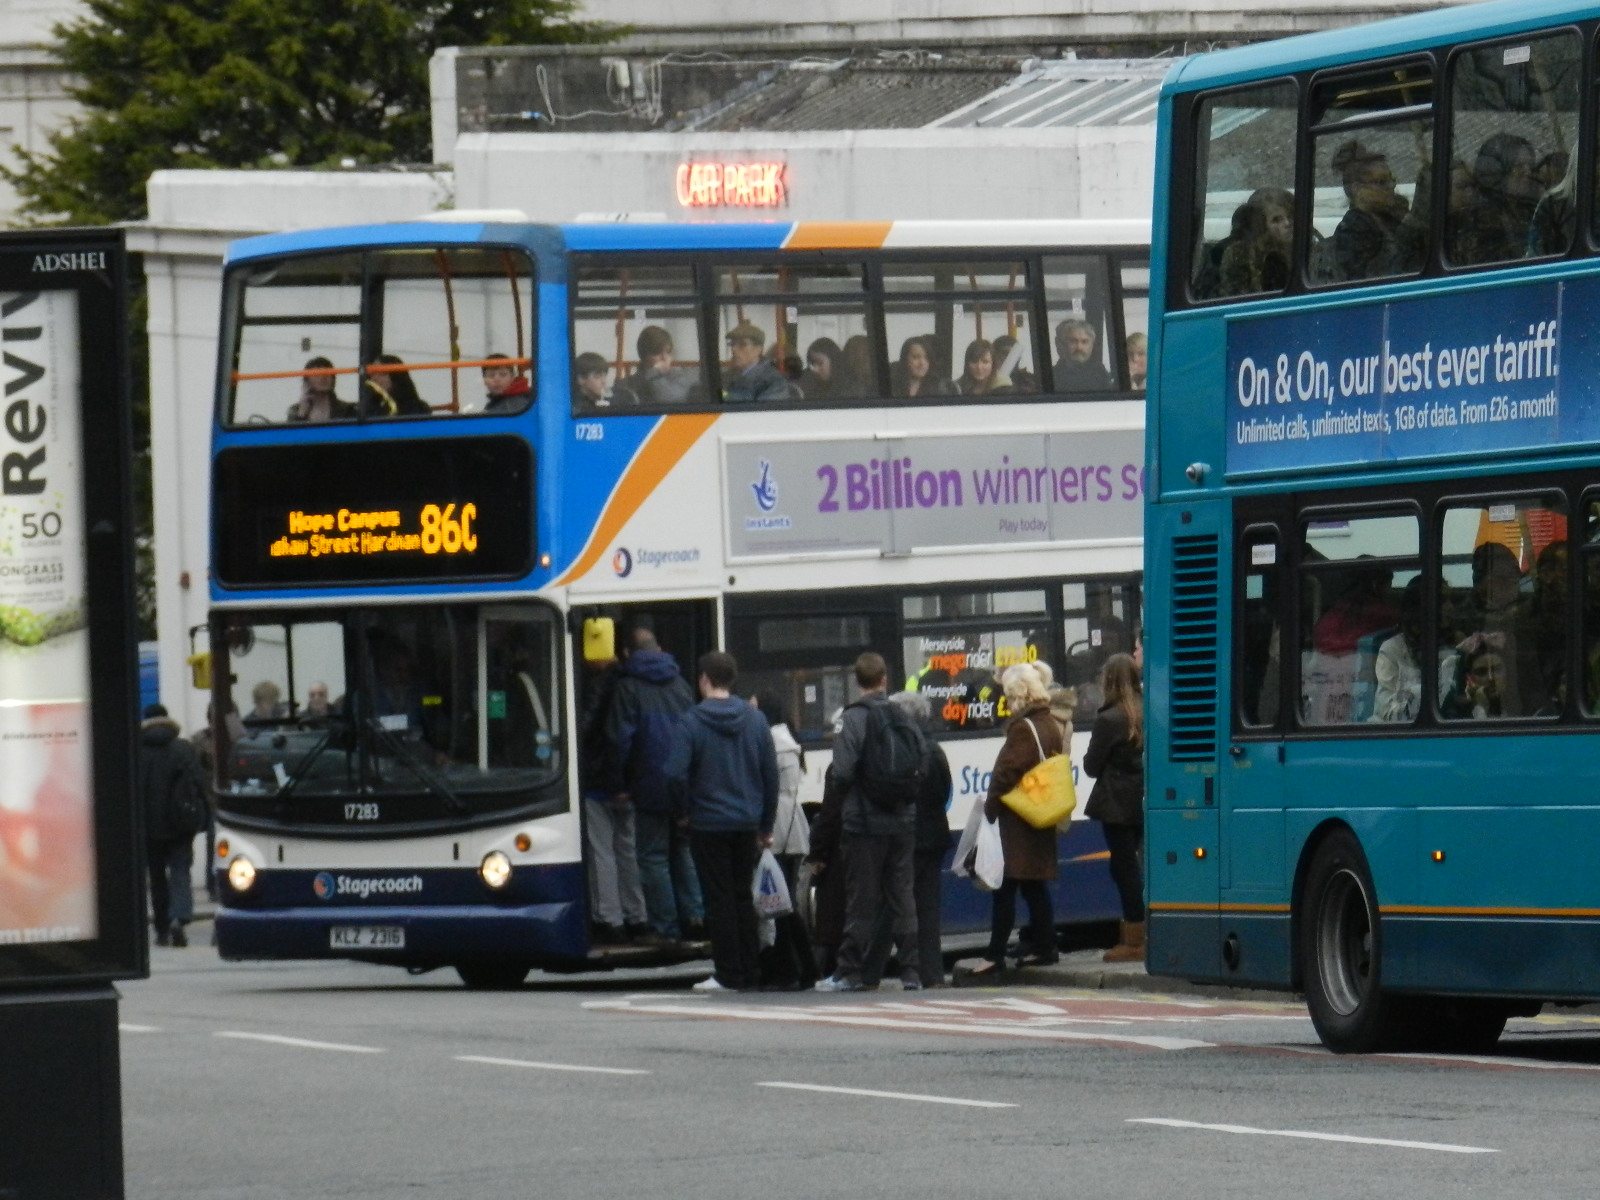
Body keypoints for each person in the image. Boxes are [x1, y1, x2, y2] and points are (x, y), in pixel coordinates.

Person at [664, 651, 778, 993]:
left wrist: (683, 812)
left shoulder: (691, 722)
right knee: (743, 897)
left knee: (719, 899)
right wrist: (765, 824)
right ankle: (749, 969)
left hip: (708, 824)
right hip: (746, 822)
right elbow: (770, 775)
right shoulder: (755, 720)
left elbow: (673, 774)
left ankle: (728, 973)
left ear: (703, 680)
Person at [816, 652, 924, 992]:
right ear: (885, 680)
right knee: (902, 895)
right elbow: (922, 760)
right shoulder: (903, 716)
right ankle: (911, 973)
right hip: (902, 821)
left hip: (864, 824)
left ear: (856, 681)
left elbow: (843, 772)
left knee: (862, 899)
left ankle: (849, 971)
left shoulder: (853, 719)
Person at [969, 662, 1065, 976]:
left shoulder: (1024, 728)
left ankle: (995, 955)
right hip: (1037, 814)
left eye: (1009, 695)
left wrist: (990, 811)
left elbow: (1005, 773)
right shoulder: (1049, 722)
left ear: (1019, 695)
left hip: (1019, 820)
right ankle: (1045, 947)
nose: (1007, 702)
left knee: (1005, 886)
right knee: (1034, 886)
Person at [606, 627, 701, 942]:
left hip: (648, 784)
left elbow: (620, 740)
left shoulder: (628, 687)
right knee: (682, 850)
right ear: (658, 648)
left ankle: (665, 927)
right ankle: (695, 915)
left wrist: (618, 783)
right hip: (683, 783)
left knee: (652, 856)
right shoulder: (681, 684)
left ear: (627, 654)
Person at [862, 690, 952, 989]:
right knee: (928, 909)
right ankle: (932, 974)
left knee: (891, 906)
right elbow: (944, 794)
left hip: (907, 837)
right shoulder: (936, 751)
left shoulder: (901, 754)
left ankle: (870, 971)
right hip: (935, 839)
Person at [581, 644, 648, 944]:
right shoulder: (637, 684)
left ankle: (610, 918)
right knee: (627, 850)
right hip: (633, 785)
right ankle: (638, 915)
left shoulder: (598, 686)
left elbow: (589, 732)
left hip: (601, 784)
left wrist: (613, 782)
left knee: (602, 852)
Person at [1084, 654, 1146, 963]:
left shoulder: (1109, 719)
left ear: (1109, 681)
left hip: (1117, 805)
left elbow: (1091, 766)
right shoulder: (1148, 708)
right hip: (1144, 801)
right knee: (1134, 867)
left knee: (1124, 868)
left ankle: (1135, 939)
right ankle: (1140, 931)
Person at [752, 691, 816, 989]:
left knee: (777, 904)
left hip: (779, 830)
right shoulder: (788, 741)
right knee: (784, 903)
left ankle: (787, 970)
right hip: (791, 829)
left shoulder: (774, 744)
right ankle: (805, 968)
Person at [139, 704, 206, 948]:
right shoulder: (182, 748)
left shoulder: (138, 750)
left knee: (157, 878)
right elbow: (199, 783)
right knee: (180, 871)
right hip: (181, 823)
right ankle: (180, 917)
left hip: (149, 826)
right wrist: (203, 817)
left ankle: (162, 930)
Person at [1328, 141, 1412, 282]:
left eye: (1392, 180)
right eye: (1381, 182)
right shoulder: (1352, 231)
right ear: (1357, 189)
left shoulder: (1392, 220)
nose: (1391, 186)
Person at [1453, 133, 1542, 266]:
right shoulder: (1481, 218)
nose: (1528, 173)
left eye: (1530, 166)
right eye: (1519, 167)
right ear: (1498, 171)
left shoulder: (1526, 209)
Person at [1220, 188, 1293, 296]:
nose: (1287, 223)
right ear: (1260, 225)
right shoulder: (1241, 256)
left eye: (1291, 216)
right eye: (1276, 220)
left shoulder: (1307, 250)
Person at [613, 326, 697, 405]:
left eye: (668, 352)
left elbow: (667, 398)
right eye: (657, 353)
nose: (664, 358)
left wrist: (655, 375)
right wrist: (654, 373)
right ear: (644, 355)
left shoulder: (678, 378)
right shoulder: (626, 385)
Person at [722, 322, 794, 403]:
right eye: (732, 344)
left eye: (743, 344)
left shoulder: (774, 382)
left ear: (758, 349)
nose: (733, 349)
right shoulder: (725, 377)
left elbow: (761, 412)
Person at [286, 356, 356, 422]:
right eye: (317, 374)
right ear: (307, 380)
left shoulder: (346, 409)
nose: (323, 378)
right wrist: (302, 413)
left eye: (327, 374)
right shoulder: (295, 411)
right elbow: (292, 433)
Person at [1053, 319, 1113, 391]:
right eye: (1073, 341)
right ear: (1064, 344)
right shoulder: (1052, 375)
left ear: (1092, 346)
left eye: (1084, 342)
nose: (1079, 347)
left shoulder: (1100, 373)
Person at [360, 355, 429, 417]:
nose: (374, 378)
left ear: (395, 377)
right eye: (372, 372)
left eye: (381, 373)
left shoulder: (416, 408)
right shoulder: (372, 405)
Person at [890, 336, 955, 399]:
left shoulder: (940, 389)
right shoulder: (893, 384)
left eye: (926, 358)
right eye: (916, 357)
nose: (922, 363)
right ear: (905, 359)